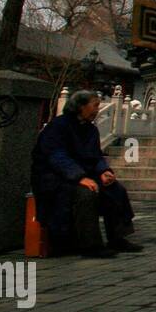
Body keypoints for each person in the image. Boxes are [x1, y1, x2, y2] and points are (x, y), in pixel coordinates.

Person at [31, 90, 138, 256]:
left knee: (115, 190)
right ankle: (91, 245)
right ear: (81, 106)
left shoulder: (90, 130)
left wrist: (104, 171)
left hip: (82, 175)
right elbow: (56, 156)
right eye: (95, 105)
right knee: (86, 194)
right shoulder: (58, 126)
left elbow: (95, 156)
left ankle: (117, 238)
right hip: (55, 178)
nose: (97, 109)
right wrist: (79, 177)